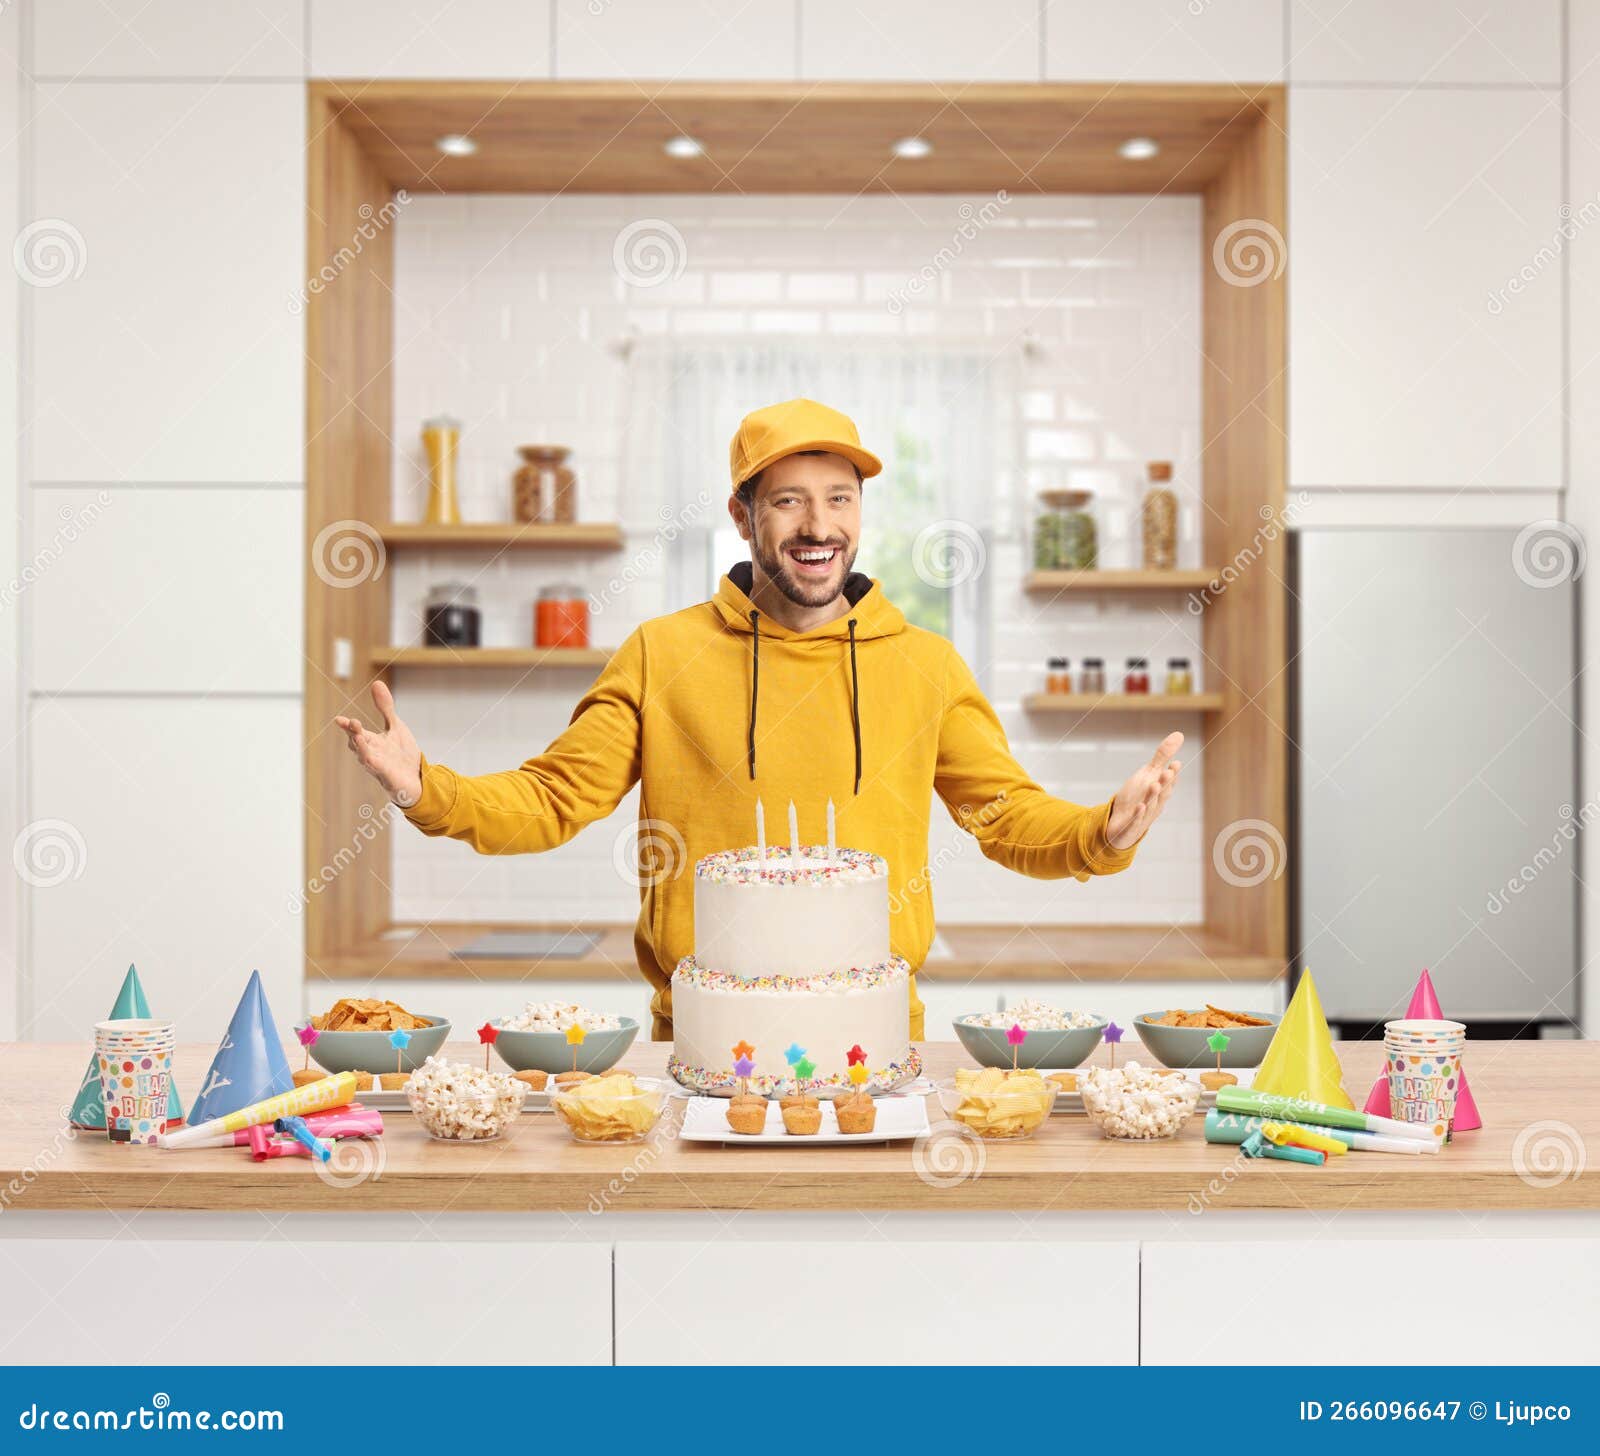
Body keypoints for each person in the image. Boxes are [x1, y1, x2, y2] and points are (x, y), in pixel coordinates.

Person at [337, 398, 1183, 1039]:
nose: (819, 527)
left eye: (841, 500)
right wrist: (427, 790)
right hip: (702, 1039)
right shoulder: (660, 654)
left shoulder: (925, 665)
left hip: (879, 1037)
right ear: (742, 516)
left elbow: (1005, 817)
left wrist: (1101, 833)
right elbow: (555, 798)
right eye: (789, 502)